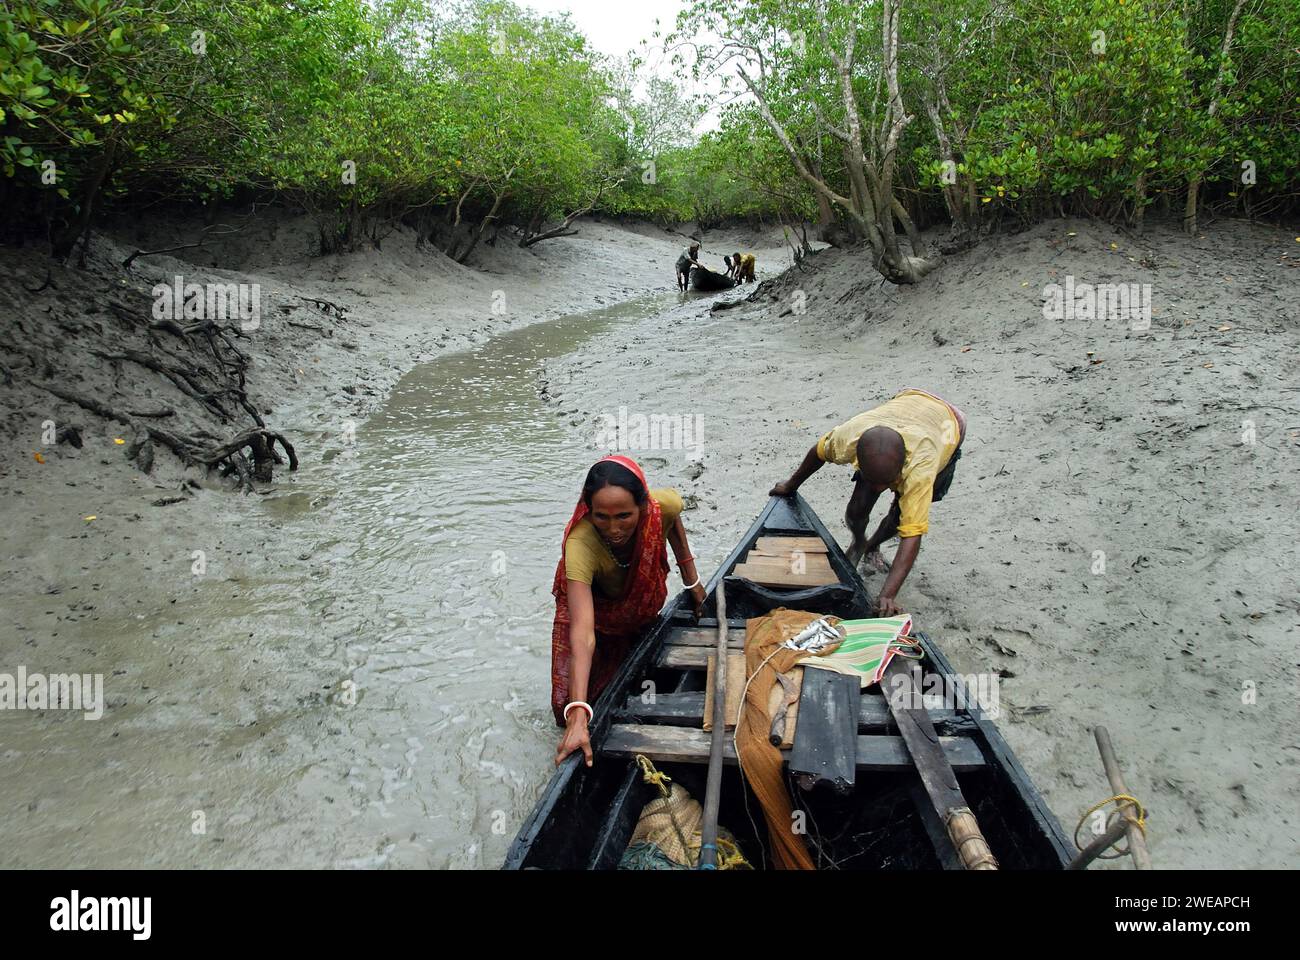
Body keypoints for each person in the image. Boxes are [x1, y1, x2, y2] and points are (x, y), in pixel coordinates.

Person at [552, 455, 706, 767]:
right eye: (601, 517)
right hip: (594, 610)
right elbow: (582, 631)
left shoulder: (662, 506)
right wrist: (578, 712)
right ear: (588, 511)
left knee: (635, 661)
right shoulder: (580, 544)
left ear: (644, 508)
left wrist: (692, 581)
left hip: (636, 608)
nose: (613, 529)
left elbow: (672, 518)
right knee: (567, 703)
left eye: (624, 516)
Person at [769, 389, 966, 617]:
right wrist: (790, 485)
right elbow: (818, 452)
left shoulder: (921, 468)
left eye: (887, 483)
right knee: (857, 508)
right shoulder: (849, 436)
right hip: (907, 403)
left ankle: (873, 546)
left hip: (947, 425)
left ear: (902, 467)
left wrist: (887, 595)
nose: (880, 490)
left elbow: (912, 534)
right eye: (874, 481)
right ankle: (860, 542)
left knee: (900, 514)